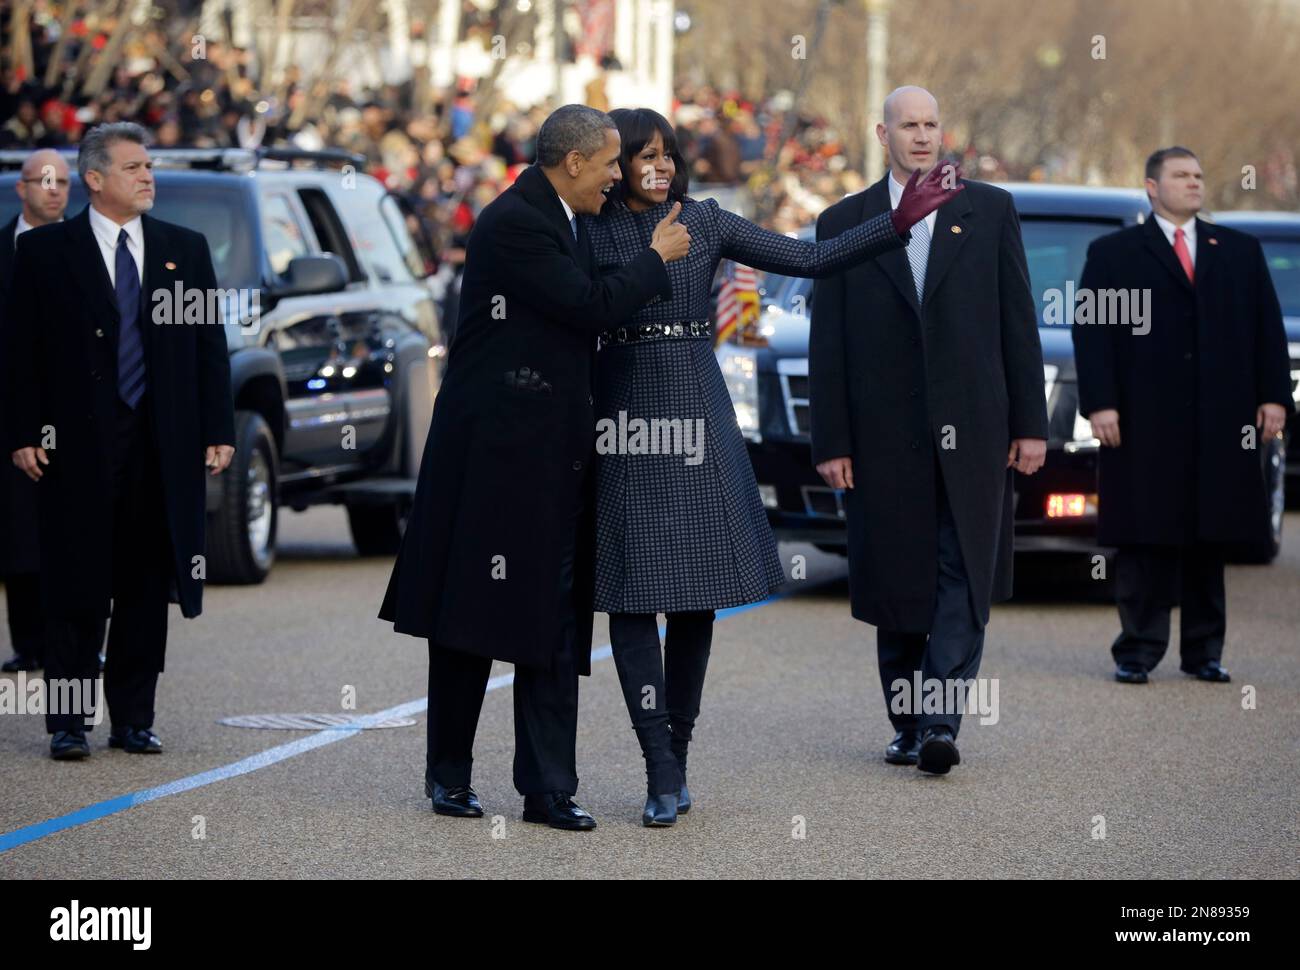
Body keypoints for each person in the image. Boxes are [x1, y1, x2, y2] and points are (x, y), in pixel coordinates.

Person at [585, 106, 961, 826]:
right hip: (625, 419)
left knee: (695, 599)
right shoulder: (591, 230)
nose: (659, 167)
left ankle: (679, 755)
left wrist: (898, 219)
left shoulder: (711, 220)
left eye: (668, 154)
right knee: (632, 600)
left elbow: (813, 259)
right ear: (617, 164)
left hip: (700, 411)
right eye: (644, 157)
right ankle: (657, 768)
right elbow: (579, 312)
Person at [378, 104, 691, 831]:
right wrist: (656, 255)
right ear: (573, 161)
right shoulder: (515, 221)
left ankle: (548, 790)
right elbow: (588, 306)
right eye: (611, 162)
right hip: (494, 457)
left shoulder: (570, 217)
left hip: (556, 455)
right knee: (471, 615)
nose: (619, 176)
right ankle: (449, 776)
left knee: (554, 620)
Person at [810, 87, 1048, 775]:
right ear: (883, 132)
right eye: (909, 125)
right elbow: (828, 342)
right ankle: (907, 723)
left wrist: (1030, 426)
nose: (922, 136)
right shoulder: (844, 220)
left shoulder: (990, 209)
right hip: (882, 440)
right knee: (896, 580)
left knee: (962, 573)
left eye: (931, 124)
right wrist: (832, 441)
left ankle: (940, 721)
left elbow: (1017, 325)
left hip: (974, 431)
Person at [5, 122, 235, 759]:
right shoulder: (47, 254)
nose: (147, 177)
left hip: (157, 449)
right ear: (95, 178)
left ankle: (133, 718)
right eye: (133, 167)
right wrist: (23, 432)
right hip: (74, 449)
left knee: (143, 588)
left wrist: (219, 428)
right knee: (75, 587)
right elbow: (19, 353)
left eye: (150, 166)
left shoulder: (182, 250)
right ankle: (68, 723)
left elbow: (208, 347)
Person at [1072, 146, 1292, 685]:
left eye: (1198, 174)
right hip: (1144, 423)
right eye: (1180, 176)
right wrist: (1100, 403)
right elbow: (1092, 334)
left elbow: (1268, 328)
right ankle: (1137, 651)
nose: (1194, 183)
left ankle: (1204, 653)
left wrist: (1273, 397)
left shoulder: (1238, 251)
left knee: (1209, 538)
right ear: (1152, 187)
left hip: (1220, 425)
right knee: (1145, 537)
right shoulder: (1115, 253)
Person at [1, 149, 69, 674]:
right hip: (11, 415)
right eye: (43, 181)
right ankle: (29, 644)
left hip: (74, 416)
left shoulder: (90, 247)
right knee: (19, 535)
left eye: (63, 181)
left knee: (73, 535)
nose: (54, 189)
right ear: (20, 188)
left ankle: (76, 640)